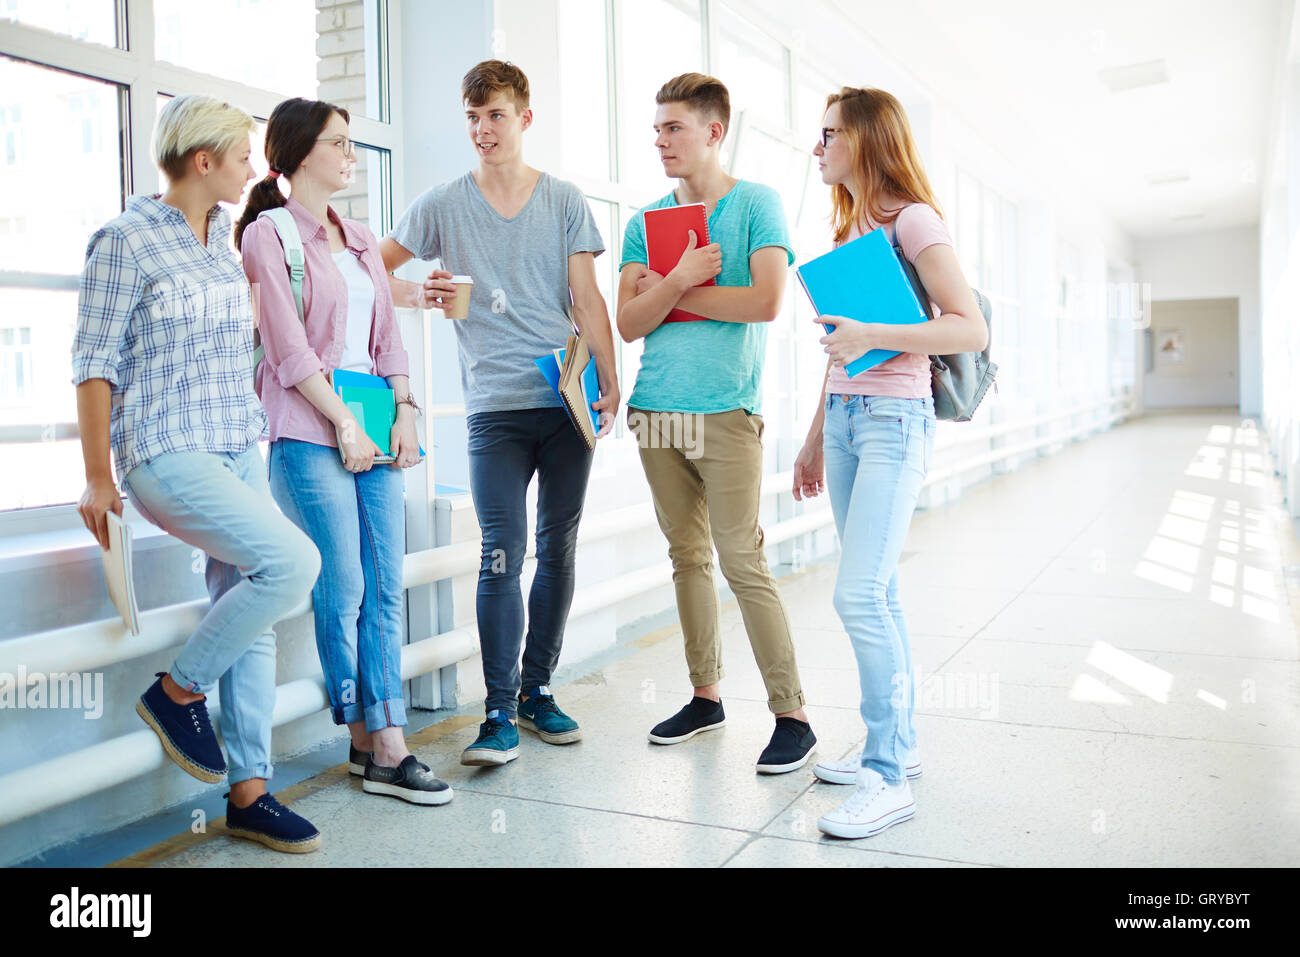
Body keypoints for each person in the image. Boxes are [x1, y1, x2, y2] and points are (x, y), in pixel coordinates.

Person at [72, 93, 323, 853]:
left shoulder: (221, 237)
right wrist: (96, 477)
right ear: (202, 160)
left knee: (253, 606)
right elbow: (93, 365)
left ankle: (249, 793)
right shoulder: (124, 241)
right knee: (292, 563)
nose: (256, 166)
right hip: (164, 450)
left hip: (235, 443)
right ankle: (177, 689)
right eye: (243, 155)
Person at [379, 60, 620, 766]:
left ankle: (537, 691)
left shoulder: (565, 200)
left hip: (563, 400)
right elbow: (372, 272)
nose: (483, 130)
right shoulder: (441, 203)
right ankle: (496, 711)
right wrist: (420, 292)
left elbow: (588, 299)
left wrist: (610, 378)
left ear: (525, 119)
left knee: (559, 546)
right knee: (499, 553)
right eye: (473, 117)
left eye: (496, 116)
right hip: (493, 409)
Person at [236, 98, 452, 806]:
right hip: (307, 431)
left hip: (376, 424)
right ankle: (380, 741)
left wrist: (406, 413)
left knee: (385, 584)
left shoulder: (358, 236)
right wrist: (344, 426)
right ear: (300, 153)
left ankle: (373, 738)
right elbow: (288, 349)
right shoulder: (269, 235)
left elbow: (387, 337)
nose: (350, 154)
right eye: (339, 142)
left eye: (352, 142)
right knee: (346, 587)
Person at [791, 87, 987, 838]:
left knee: (858, 595)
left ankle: (884, 773)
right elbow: (844, 352)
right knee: (881, 593)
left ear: (868, 141)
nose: (818, 147)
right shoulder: (852, 226)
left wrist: (872, 328)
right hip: (844, 419)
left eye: (830, 134)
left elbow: (965, 328)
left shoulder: (915, 219)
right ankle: (896, 749)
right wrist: (813, 436)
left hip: (894, 423)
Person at [616, 73, 817, 775]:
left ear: (713, 131)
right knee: (687, 558)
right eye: (657, 128)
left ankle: (792, 714)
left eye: (674, 127)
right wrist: (680, 283)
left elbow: (765, 301)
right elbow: (629, 320)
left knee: (741, 558)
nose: (661, 140)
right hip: (657, 410)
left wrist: (673, 291)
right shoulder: (643, 222)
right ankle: (706, 697)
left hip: (728, 411)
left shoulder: (757, 203)